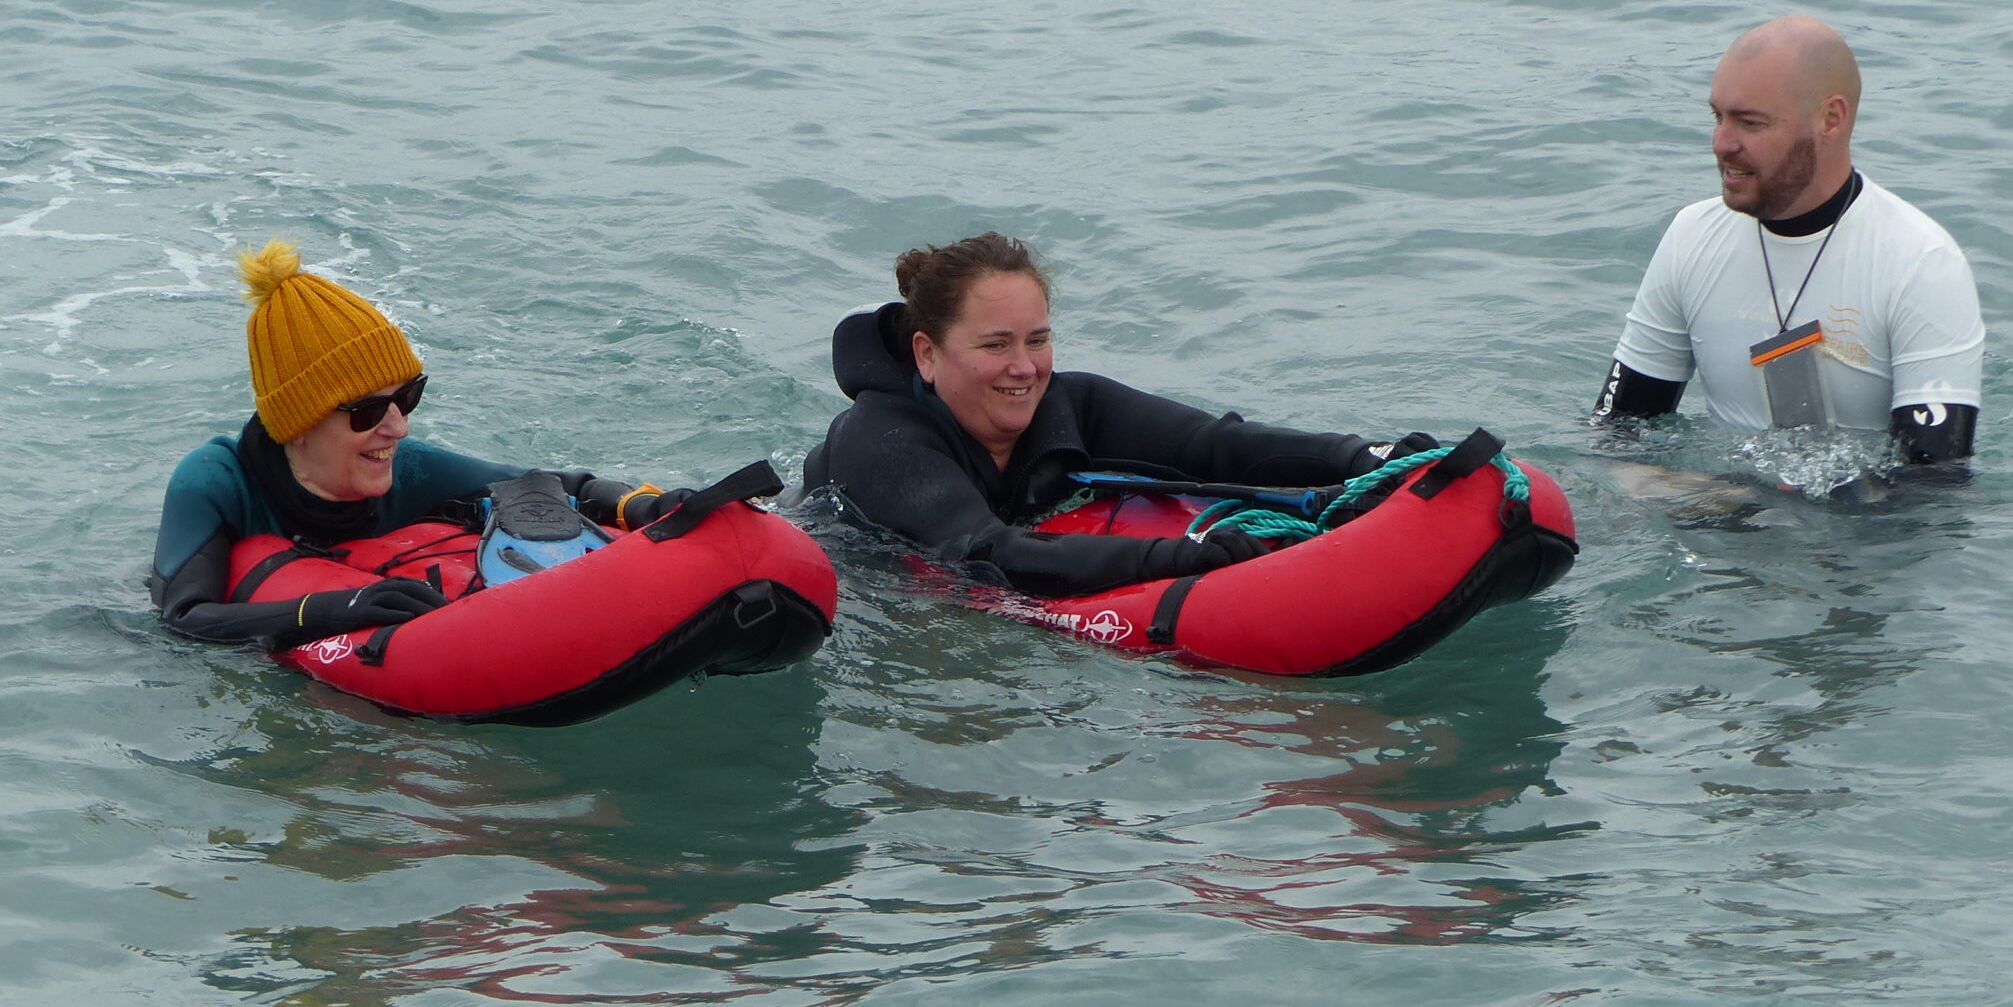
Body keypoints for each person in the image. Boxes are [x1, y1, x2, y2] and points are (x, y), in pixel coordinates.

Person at [803, 233, 1412, 597]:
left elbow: (1211, 444)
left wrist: (1364, 461)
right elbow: (984, 553)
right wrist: (1194, 559)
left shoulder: (1067, 403)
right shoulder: (880, 439)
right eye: (996, 345)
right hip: (875, 583)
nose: (1024, 368)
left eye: (1037, 340)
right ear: (928, 354)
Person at [151, 241, 676, 646]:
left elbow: (550, 485)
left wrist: (644, 504)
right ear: (300, 424)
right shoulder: (217, 482)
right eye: (368, 410)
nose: (399, 428)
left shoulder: (410, 471)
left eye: (407, 397)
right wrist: (338, 609)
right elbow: (183, 617)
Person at [1594, 16, 1982, 470]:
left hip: (1851, 536)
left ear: (1830, 119)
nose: (1720, 143)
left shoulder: (1922, 264)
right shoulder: (1691, 237)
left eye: (1750, 123)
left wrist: (1751, 508)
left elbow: (1933, 492)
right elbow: (1617, 433)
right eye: (1717, 116)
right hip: (1714, 524)